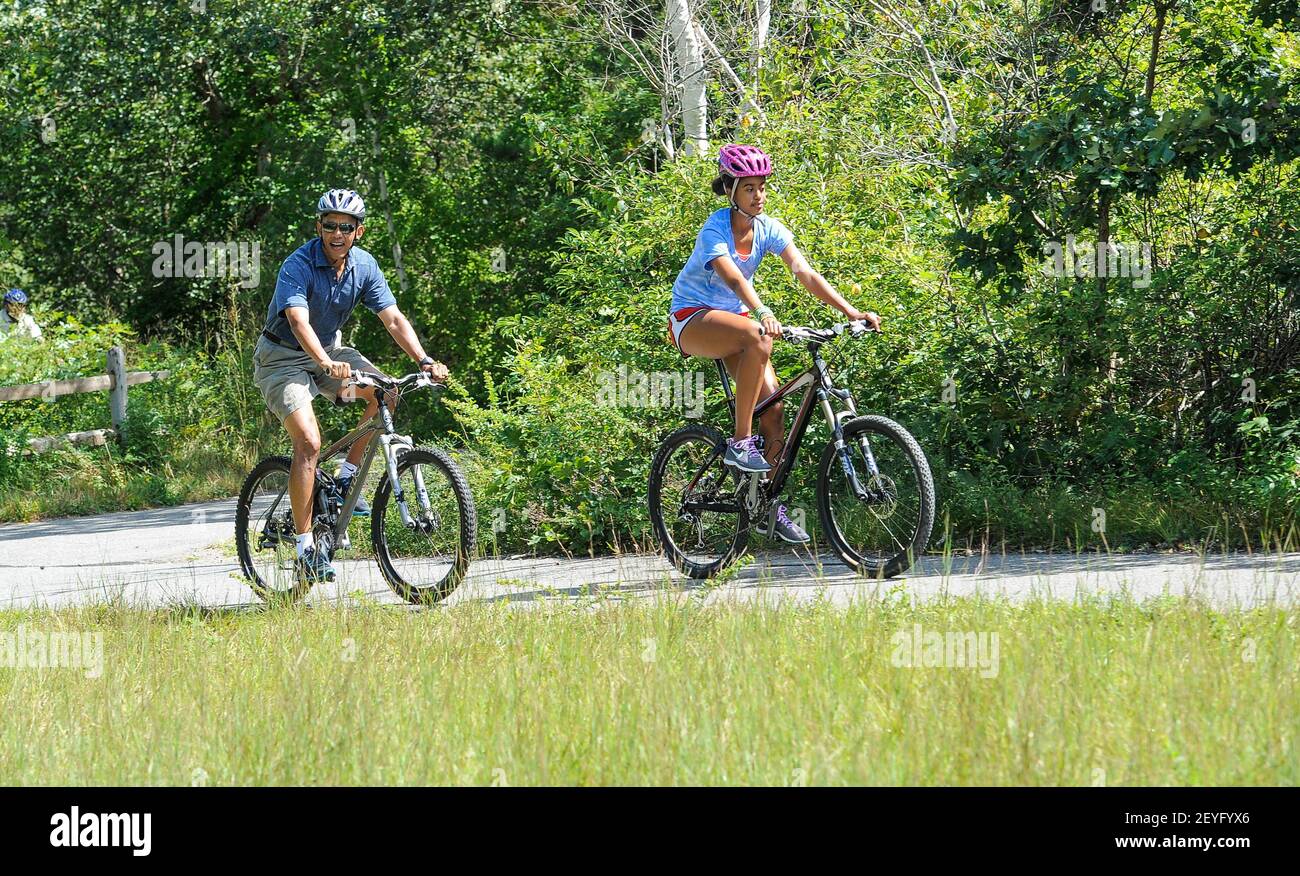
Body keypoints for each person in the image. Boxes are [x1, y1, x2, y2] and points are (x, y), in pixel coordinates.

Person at [667, 144, 881, 544]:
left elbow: (804, 272)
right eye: (749, 188)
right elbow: (734, 279)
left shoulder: (768, 228)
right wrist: (763, 310)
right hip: (690, 319)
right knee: (756, 334)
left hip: (735, 323)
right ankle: (739, 442)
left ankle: (764, 504)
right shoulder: (714, 230)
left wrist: (853, 313)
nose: (758, 195)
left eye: (762, 187)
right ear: (730, 190)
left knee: (777, 411)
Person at [255, 188, 449, 583]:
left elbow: (393, 319)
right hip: (282, 359)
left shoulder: (364, 266)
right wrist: (326, 363)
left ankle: (345, 478)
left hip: (330, 353)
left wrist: (424, 360)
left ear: (358, 231)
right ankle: (305, 548)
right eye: (330, 225)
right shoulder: (298, 265)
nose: (337, 233)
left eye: (346, 226)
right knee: (308, 442)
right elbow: (297, 321)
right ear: (319, 227)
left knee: (386, 392)